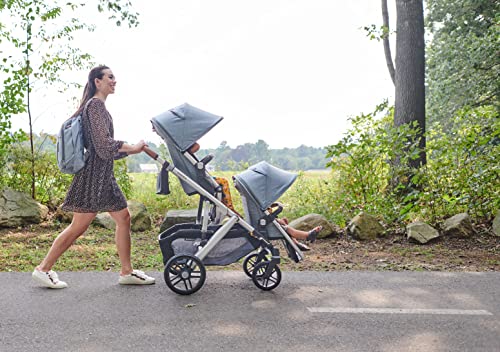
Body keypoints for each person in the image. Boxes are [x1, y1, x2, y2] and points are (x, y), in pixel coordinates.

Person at [32, 65, 155, 289]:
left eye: (114, 77)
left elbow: (105, 150)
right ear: (97, 82)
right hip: (93, 178)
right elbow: (103, 145)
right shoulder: (96, 106)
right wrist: (133, 148)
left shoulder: (98, 107)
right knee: (78, 227)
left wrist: (131, 150)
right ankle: (43, 269)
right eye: (110, 77)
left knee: (123, 218)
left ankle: (126, 272)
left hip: (103, 176)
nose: (114, 80)